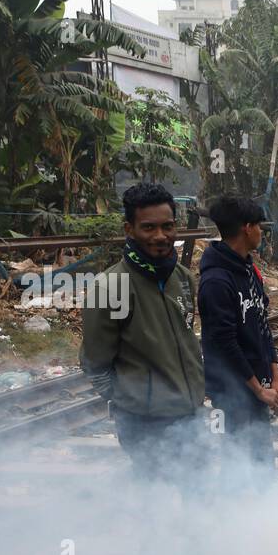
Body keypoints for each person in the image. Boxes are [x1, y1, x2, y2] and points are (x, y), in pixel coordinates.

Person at [80, 182, 205, 478]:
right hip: (145, 421)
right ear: (129, 229)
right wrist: (131, 402)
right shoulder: (112, 287)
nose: (160, 236)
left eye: (168, 226)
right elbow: (96, 362)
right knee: (158, 498)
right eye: (148, 228)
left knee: (196, 494)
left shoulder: (183, 278)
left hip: (189, 413)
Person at [198, 196, 278, 487]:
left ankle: (263, 515)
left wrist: (275, 378)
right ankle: (230, 519)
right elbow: (225, 342)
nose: (262, 231)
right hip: (229, 391)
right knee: (235, 458)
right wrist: (258, 389)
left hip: (256, 387)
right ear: (247, 228)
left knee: (261, 459)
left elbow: (262, 324)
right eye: (259, 225)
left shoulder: (249, 270)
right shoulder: (216, 281)